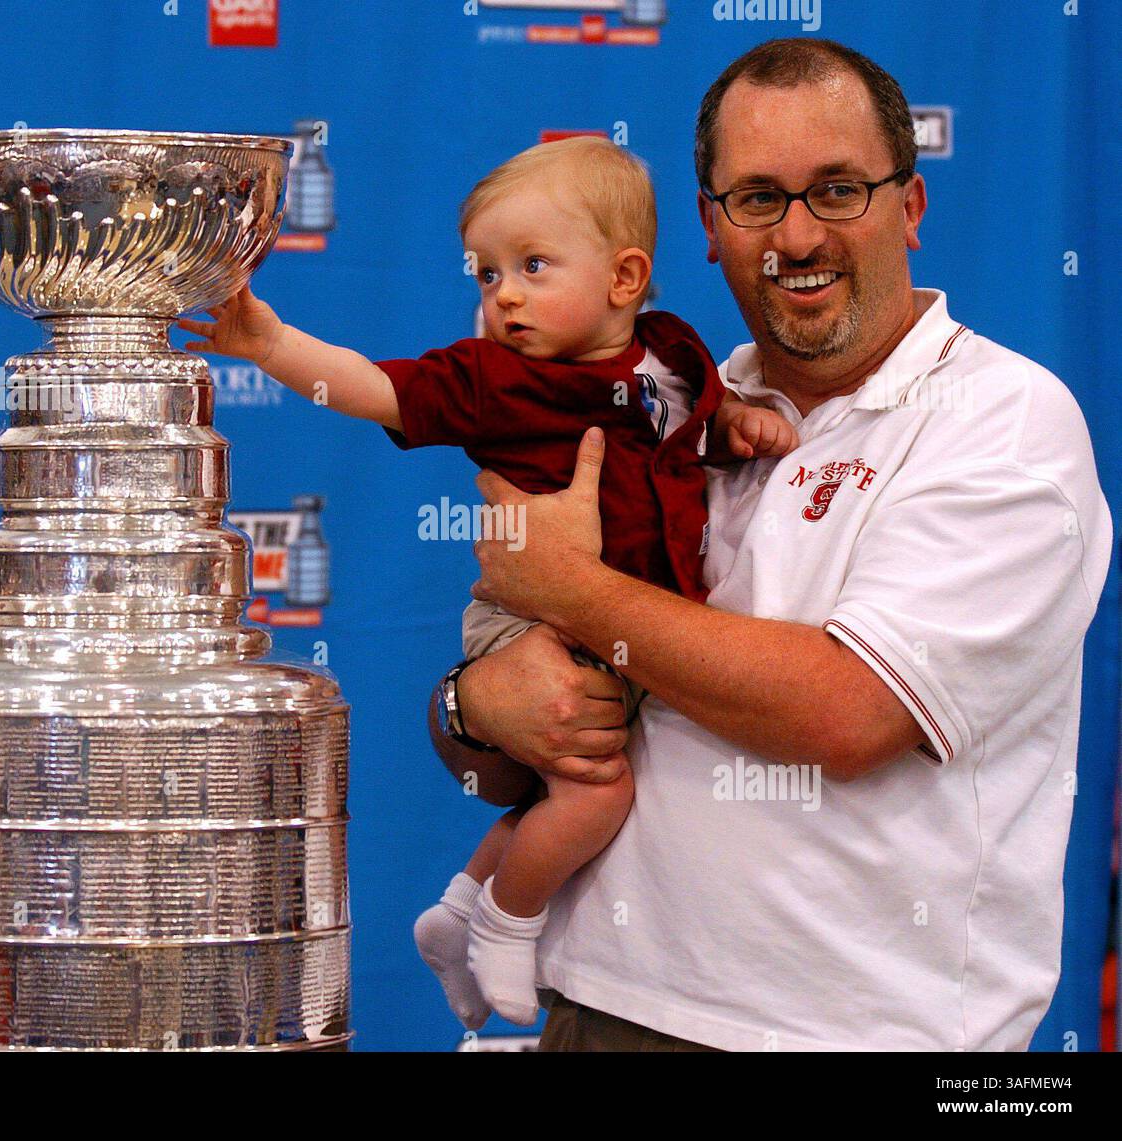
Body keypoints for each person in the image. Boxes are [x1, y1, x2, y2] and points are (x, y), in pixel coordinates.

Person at [432, 38, 1113, 1051]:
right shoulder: (662, 415)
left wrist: (570, 591)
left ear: (911, 206)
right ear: (710, 228)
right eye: (757, 198)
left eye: (837, 190)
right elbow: (505, 753)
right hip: (593, 1008)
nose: (797, 236)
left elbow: (848, 713)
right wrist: (477, 705)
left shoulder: (1004, 420)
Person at [175, 136, 796, 1028]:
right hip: (525, 623)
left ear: (625, 279)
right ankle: (510, 924)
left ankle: (460, 909)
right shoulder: (492, 378)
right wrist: (270, 344)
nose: (502, 293)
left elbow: (697, 422)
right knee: (597, 790)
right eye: (487, 272)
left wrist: (735, 424)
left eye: (533, 266)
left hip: (631, 627)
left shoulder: (674, 353)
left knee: (565, 787)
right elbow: (375, 387)